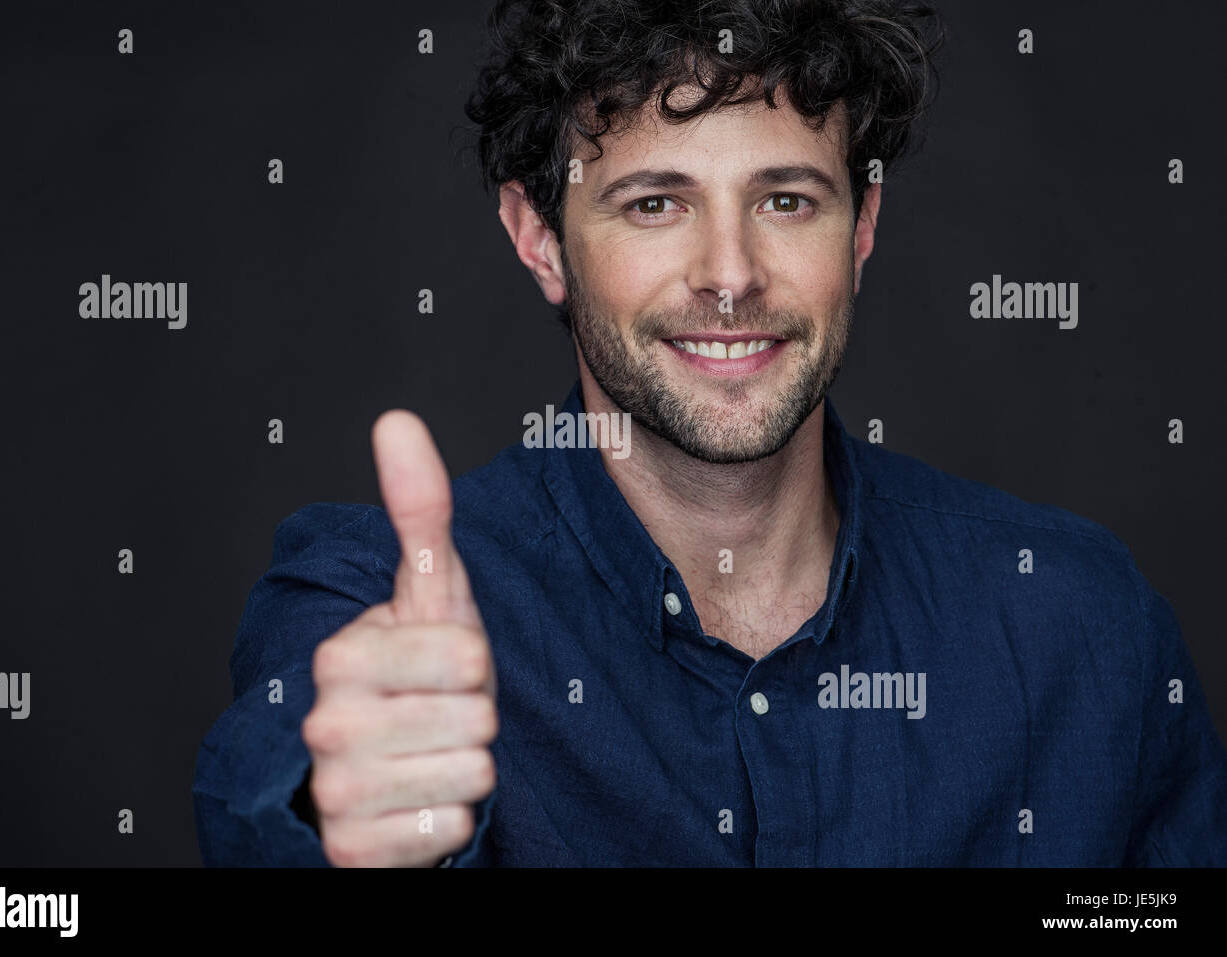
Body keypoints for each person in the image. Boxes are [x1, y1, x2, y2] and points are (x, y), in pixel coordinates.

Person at [192, 0, 1227, 866]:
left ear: (861, 228)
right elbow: (271, 794)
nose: (729, 276)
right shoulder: (372, 596)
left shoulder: (1081, 624)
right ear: (540, 239)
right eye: (653, 204)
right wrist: (342, 816)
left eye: (784, 199)